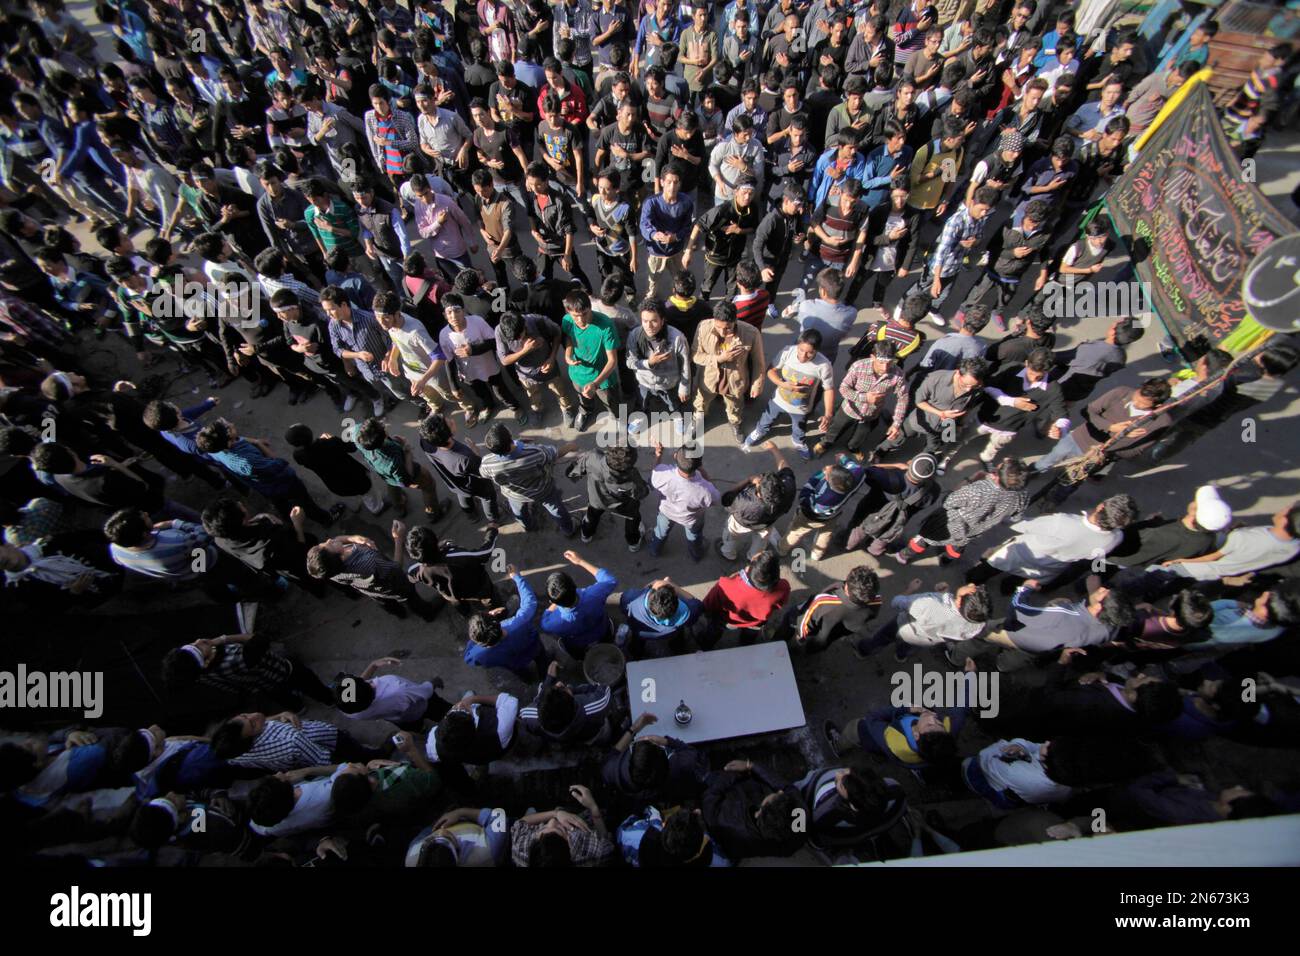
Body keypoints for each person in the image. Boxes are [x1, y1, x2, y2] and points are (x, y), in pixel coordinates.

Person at [967, 494, 1138, 591]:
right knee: (1020, 579)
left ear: (1101, 506)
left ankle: (973, 579)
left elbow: (1026, 526)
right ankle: (1007, 588)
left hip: (1021, 552)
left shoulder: (1063, 522)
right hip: (1050, 567)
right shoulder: (1115, 538)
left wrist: (1004, 517)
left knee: (991, 566)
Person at [195, 419, 334, 525]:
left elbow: (238, 439)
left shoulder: (214, 449)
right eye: (227, 427)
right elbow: (277, 464)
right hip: (282, 483)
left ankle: (288, 519)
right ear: (228, 441)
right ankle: (325, 519)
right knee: (304, 500)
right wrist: (261, 445)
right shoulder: (247, 463)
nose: (231, 424)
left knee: (281, 504)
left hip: (264, 487)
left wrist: (254, 441)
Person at [896, 457, 1030, 565]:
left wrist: (971, 479)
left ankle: (904, 555)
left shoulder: (980, 489)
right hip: (972, 532)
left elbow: (948, 501)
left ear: (996, 477)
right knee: (958, 545)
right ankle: (947, 559)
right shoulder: (1022, 496)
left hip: (948, 523)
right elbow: (1016, 517)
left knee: (925, 538)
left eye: (999, 467)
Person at [873, 358, 989, 472]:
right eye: (965, 384)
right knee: (898, 437)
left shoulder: (977, 388)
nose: (968, 389)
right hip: (921, 419)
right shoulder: (935, 378)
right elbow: (919, 401)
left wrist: (959, 424)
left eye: (974, 386)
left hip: (947, 425)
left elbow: (968, 407)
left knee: (933, 448)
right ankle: (879, 453)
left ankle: (917, 464)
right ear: (958, 373)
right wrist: (940, 413)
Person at [306, 524, 438, 619]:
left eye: (322, 543)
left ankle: (400, 614)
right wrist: (398, 539)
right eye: (330, 545)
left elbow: (339, 539)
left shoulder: (331, 570)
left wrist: (355, 538)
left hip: (373, 590)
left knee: (386, 602)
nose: (330, 540)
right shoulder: (369, 562)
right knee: (409, 596)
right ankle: (428, 613)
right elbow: (395, 567)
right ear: (336, 557)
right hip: (394, 583)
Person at [742, 328, 835, 460]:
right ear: (798, 344)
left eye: (810, 353)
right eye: (801, 350)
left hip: (801, 408)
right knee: (766, 418)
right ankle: (760, 431)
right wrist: (782, 384)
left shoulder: (824, 365)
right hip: (778, 400)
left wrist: (828, 414)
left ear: (817, 350)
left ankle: (798, 442)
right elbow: (771, 370)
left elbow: (829, 389)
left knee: (799, 428)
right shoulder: (788, 351)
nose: (803, 356)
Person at [479, 423, 579, 534]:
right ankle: (568, 529)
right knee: (556, 509)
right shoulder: (535, 452)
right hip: (543, 490)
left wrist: (518, 443)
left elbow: (484, 474)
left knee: (520, 513)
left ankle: (527, 527)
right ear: (510, 437)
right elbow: (554, 454)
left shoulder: (487, 463)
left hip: (515, 495)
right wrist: (569, 446)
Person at [855, 579, 992, 660]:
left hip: (903, 627)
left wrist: (910, 589)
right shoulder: (978, 624)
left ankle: (864, 650)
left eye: (974, 589)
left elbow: (896, 602)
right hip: (927, 640)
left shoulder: (928, 603)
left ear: (961, 600)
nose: (972, 584)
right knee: (908, 646)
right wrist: (943, 594)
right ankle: (900, 656)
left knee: (884, 636)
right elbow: (950, 615)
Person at [815, 341, 908, 458]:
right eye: (881, 362)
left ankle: (852, 448)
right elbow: (843, 388)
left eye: (890, 362)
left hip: (872, 414)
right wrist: (865, 398)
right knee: (835, 429)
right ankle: (826, 443)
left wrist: (896, 423)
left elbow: (903, 398)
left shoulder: (898, 374)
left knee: (860, 436)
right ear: (872, 357)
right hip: (849, 409)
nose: (885, 367)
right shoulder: (858, 367)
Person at [701, 759, 808, 859]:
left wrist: (734, 774)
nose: (780, 791)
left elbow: (709, 797)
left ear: (759, 812)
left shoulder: (727, 820)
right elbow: (788, 789)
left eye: (776, 796)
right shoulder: (797, 830)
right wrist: (752, 766)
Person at [692, 299, 766, 442]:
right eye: (718, 327)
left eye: (727, 328)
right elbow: (695, 355)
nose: (722, 332)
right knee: (701, 402)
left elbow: (758, 362)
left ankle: (735, 423)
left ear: (735, 320)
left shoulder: (751, 333)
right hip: (709, 379)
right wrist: (719, 359)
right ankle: (698, 420)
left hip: (735, 381)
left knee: (735, 406)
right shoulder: (703, 327)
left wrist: (758, 383)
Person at [418, 412, 502, 524]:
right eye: (450, 424)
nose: (452, 420)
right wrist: (475, 452)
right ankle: (493, 518)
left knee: (462, 493)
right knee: (488, 497)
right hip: (474, 484)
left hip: (453, 482)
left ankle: (471, 514)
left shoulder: (425, 440)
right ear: (447, 436)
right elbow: (482, 471)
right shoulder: (465, 458)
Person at [777, 566, 882, 654]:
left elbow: (806, 621)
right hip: (831, 635)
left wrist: (801, 637)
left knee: (789, 616)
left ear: (846, 589)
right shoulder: (876, 602)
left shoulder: (825, 601)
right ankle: (807, 653)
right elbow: (871, 617)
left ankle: (779, 641)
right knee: (817, 646)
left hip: (816, 628)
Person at [465, 565, 545, 679]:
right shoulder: (517, 624)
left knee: (520, 672)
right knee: (541, 658)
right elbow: (529, 603)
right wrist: (517, 577)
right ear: (497, 622)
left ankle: (528, 679)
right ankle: (544, 674)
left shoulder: (478, 654)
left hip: (513, 663)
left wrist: (475, 637)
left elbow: (468, 657)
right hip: (533, 648)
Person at [626, 298, 693, 434]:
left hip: (669, 382)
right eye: (645, 321)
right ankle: (639, 417)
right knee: (642, 402)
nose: (649, 326)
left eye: (654, 321)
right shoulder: (635, 335)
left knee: (673, 403)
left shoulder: (677, 338)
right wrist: (649, 363)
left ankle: (677, 416)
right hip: (644, 381)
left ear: (663, 320)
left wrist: (684, 388)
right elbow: (630, 362)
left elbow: (685, 364)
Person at [718, 442, 795, 561]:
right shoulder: (789, 488)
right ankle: (753, 558)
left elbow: (727, 499)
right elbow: (785, 468)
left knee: (731, 536)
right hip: (766, 524)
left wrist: (748, 480)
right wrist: (774, 449)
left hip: (740, 523)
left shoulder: (743, 502)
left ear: (759, 493)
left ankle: (728, 553)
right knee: (760, 542)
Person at [404, 523, 502, 614]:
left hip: (452, 595)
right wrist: (492, 531)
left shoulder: (416, 570)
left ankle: (466, 614)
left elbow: (410, 579)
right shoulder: (457, 556)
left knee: (457, 603)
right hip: (477, 588)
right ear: (435, 539)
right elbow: (484, 554)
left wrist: (437, 548)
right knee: (490, 599)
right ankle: (499, 613)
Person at [331, 657, 451, 731]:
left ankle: (421, 729)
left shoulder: (350, 711)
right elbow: (425, 692)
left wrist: (373, 665)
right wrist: (433, 683)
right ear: (370, 688)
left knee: (412, 725)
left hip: (399, 718)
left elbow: (356, 691)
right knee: (444, 712)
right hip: (423, 707)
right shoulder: (395, 686)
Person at [561, 288, 622, 430]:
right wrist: (567, 354)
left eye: (584, 314)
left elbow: (612, 361)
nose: (580, 320)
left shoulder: (605, 325)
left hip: (603, 379)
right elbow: (568, 337)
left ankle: (617, 417)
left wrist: (595, 384)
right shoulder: (567, 321)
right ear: (568, 312)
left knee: (611, 401)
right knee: (583, 398)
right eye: (575, 316)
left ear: (590, 308)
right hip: (577, 375)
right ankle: (585, 411)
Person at [509, 785, 615, 866]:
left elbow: (522, 822)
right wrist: (594, 809)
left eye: (545, 828)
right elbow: (606, 843)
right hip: (581, 815)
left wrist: (556, 813)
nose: (552, 821)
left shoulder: (520, 849)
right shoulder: (591, 850)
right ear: (569, 845)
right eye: (560, 829)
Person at [702, 549, 790, 645]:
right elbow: (780, 603)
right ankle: (745, 645)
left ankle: (706, 643)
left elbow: (709, 603)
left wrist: (705, 611)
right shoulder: (783, 588)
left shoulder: (726, 585)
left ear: (748, 569)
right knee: (750, 636)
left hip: (727, 620)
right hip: (756, 623)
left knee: (714, 631)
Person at [540, 549, 620, 656]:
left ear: (551, 601)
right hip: (602, 629)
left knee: (575, 652)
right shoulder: (593, 595)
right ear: (574, 585)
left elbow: (544, 621)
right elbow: (610, 580)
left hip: (577, 643)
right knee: (606, 638)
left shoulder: (552, 623)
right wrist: (580, 561)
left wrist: (556, 601)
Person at [648, 443, 721, 560]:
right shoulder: (706, 489)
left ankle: (654, 550)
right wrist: (703, 473)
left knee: (660, 532)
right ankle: (696, 555)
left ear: (675, 456)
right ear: (699, 464)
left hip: (666, 512)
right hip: (691, 519)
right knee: (694, 536)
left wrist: (658, 456)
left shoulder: (663, 473)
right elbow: (715, 499)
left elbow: (654, 474)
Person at [571, 445, 650, 550]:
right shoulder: (632, 478)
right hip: (624, 507)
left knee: (592, 515)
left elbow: (572, 472)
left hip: (596, 500)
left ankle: (586, 534)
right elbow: (642, 493)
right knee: (633, 519)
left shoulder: (592, 457)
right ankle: (633, 544)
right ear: (630, 464)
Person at [519, 660, 615, 745]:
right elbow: (605, 690)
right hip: (592, 733)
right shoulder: (596, 706)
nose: (559, 683)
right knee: (603, 735)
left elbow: (540, 699)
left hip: (567, 739)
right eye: (562, 688)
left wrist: (549, 678)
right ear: (573, 705)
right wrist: (573, 690)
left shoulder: (529, 716)